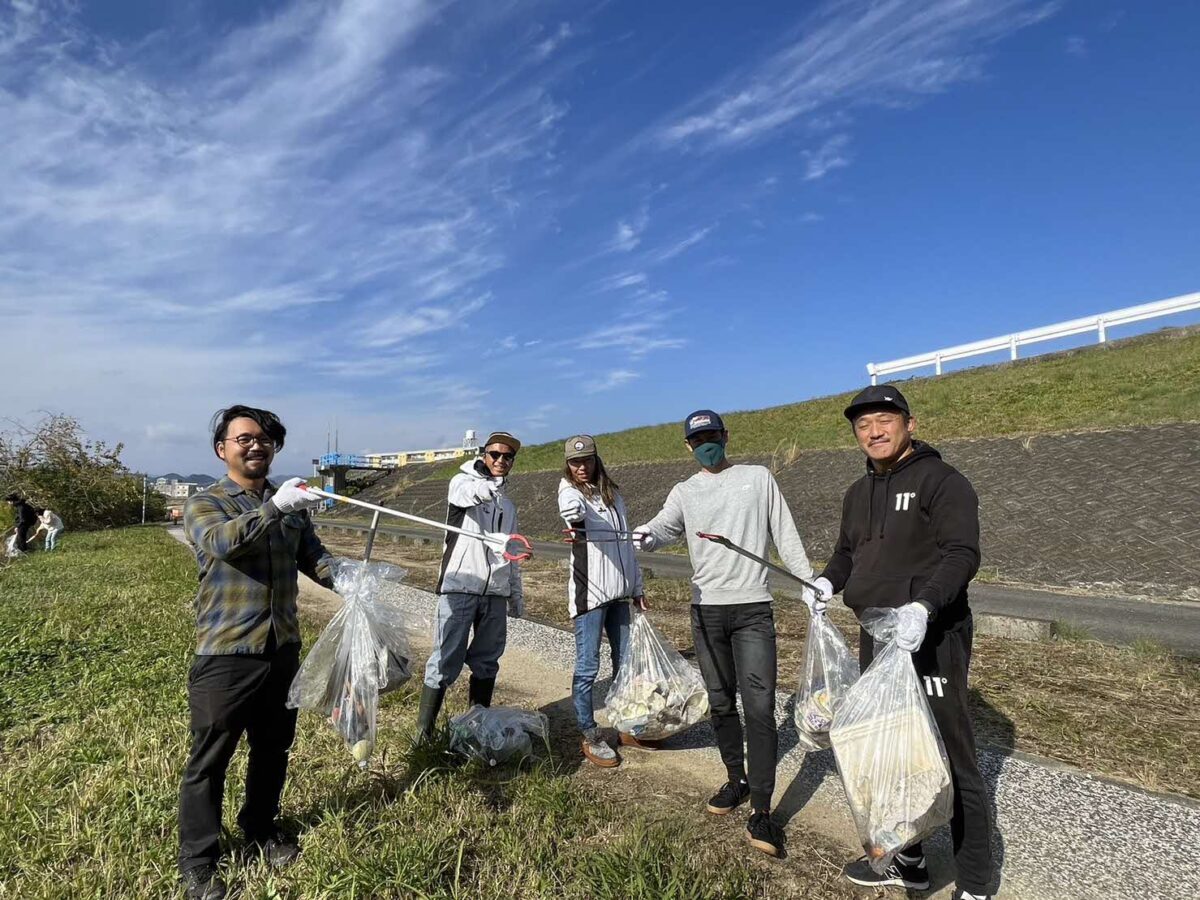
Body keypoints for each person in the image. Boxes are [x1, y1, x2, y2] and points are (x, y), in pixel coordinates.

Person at [814, 384, 994, 900]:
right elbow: (847, 554)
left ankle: (977, 883)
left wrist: (923, 606)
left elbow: (962, 553)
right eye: (863, 424)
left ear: (909, 424)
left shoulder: (943, 481)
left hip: (932, 635)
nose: (873, 430)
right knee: (891, 756)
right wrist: (827, 582)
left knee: (949, 756)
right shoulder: (857, 492)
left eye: (884, 420)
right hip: (879, 637)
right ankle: (907, 862)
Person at [633, 409, 821, 857]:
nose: (706, 445)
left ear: (726, 436)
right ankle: (735, 780)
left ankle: (762, 809)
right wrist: (645, 536)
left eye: (712, 436)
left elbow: (786, 535)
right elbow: (663, 526)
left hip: (753, 609)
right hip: (706, 613)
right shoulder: (685, 490)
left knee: (758, 707)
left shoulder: (757, 479)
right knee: (720, 703)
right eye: (698, 440)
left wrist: (808, 582)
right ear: (688, 446)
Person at [177, 406, 332, 900]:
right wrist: (274, 509)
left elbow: (314, 555)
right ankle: (199, 862)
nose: (256, 445)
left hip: (281, 648)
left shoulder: (292, 507)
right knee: (210, 758)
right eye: (244, 438)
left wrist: (350, 578)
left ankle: (260, 829)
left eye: (265, 439)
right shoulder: (206, 503)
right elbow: (224, 543)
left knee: (272, 749)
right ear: (222, 449)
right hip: (227, 651)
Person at [416, 431, 525, 739]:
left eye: (508, 457)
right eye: (495, 455)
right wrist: (489, 488)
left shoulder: (510, 506)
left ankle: (477, 727)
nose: (501, 461)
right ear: (483, 455)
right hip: (460, 587)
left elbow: (512, 552)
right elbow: (469, 495)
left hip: (495, 593)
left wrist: (515, 593)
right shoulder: (462, 483)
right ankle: (423, 734)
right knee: (445, 660)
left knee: (488, 661)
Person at [557, 434, 646, 768]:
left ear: (597, 461)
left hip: (620, 594)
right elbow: (571, 512)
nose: (582, 467)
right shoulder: (568, 492)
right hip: (591, 597)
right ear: (568, 465)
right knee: (587, 667)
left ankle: (624, 724)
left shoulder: (614, 495)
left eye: (587, 460)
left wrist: (637, 587)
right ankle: (590, 732)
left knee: (625, 663)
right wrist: (573, 515)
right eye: (575, 462)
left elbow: (626, 546)